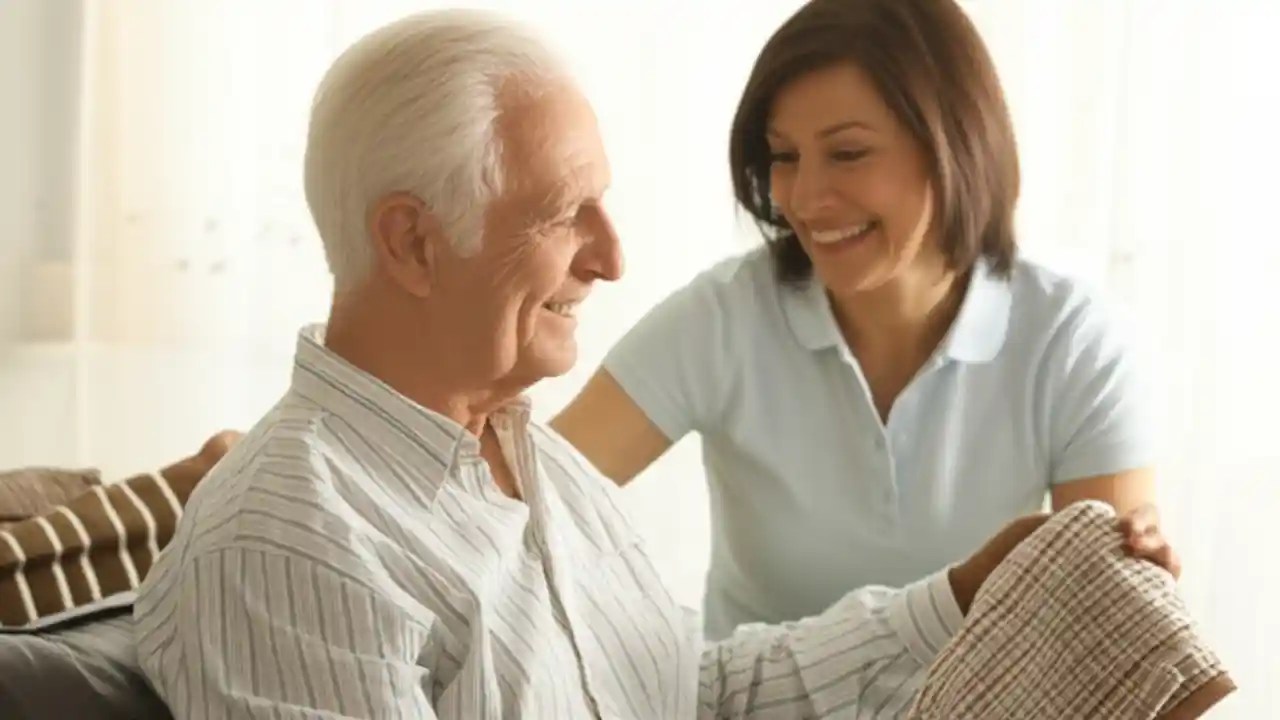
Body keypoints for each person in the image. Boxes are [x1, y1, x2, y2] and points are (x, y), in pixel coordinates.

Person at [132, 9, 1179, 719]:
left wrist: (954, 595)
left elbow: (682, 690)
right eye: (559, 214)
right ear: (411, 242)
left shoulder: (534, 470)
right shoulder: (302, 543)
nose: (613, 257)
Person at [552, 0, 1166, 641]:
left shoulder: (1073, 342)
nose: (806, 199)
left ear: (954, 145)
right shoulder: (724, 320)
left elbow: (1104, 628)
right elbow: (520, 511)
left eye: (847, 153)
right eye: (784, 156)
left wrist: (1135, 591)